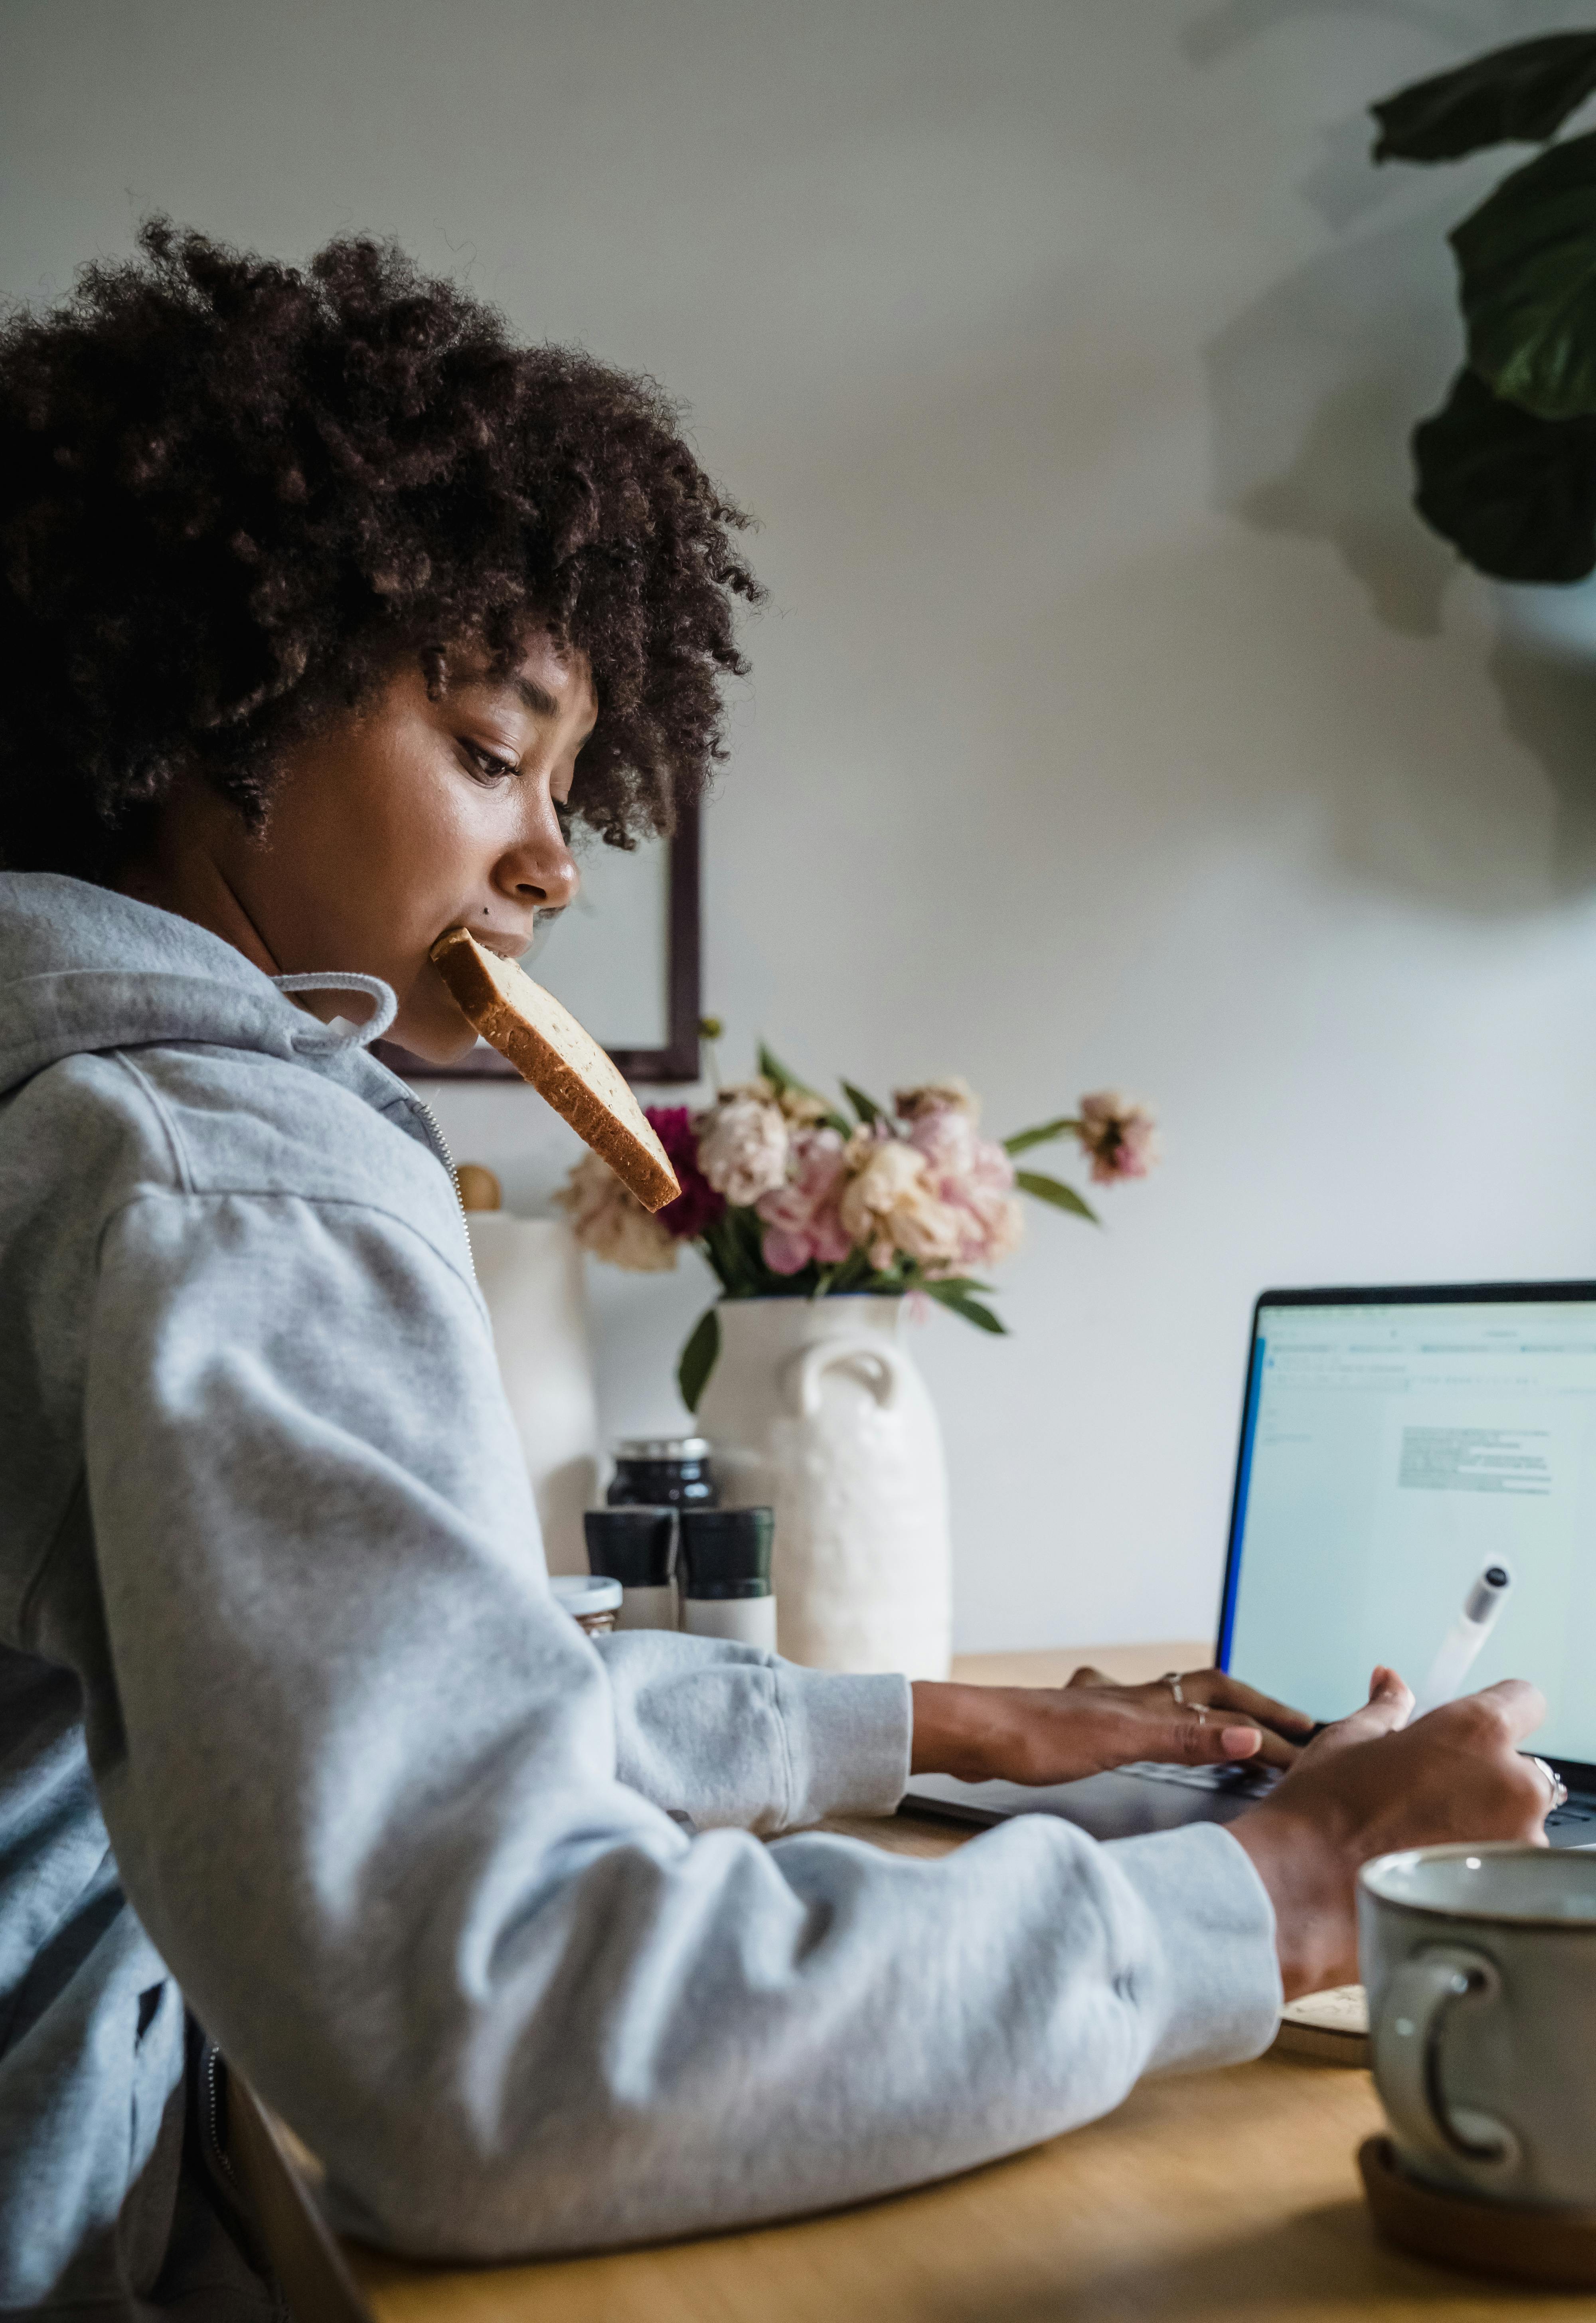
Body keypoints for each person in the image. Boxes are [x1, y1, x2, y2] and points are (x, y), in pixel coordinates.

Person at [0, 224, 1551, 2321]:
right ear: (221, 690)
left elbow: (363, 1700)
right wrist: (1273, 1886)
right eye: (488, 754)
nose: (554, 860)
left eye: (567, 786)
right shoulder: (217, 1170)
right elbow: (502, 2052)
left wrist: (940, 1724)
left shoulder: (72, 1111)